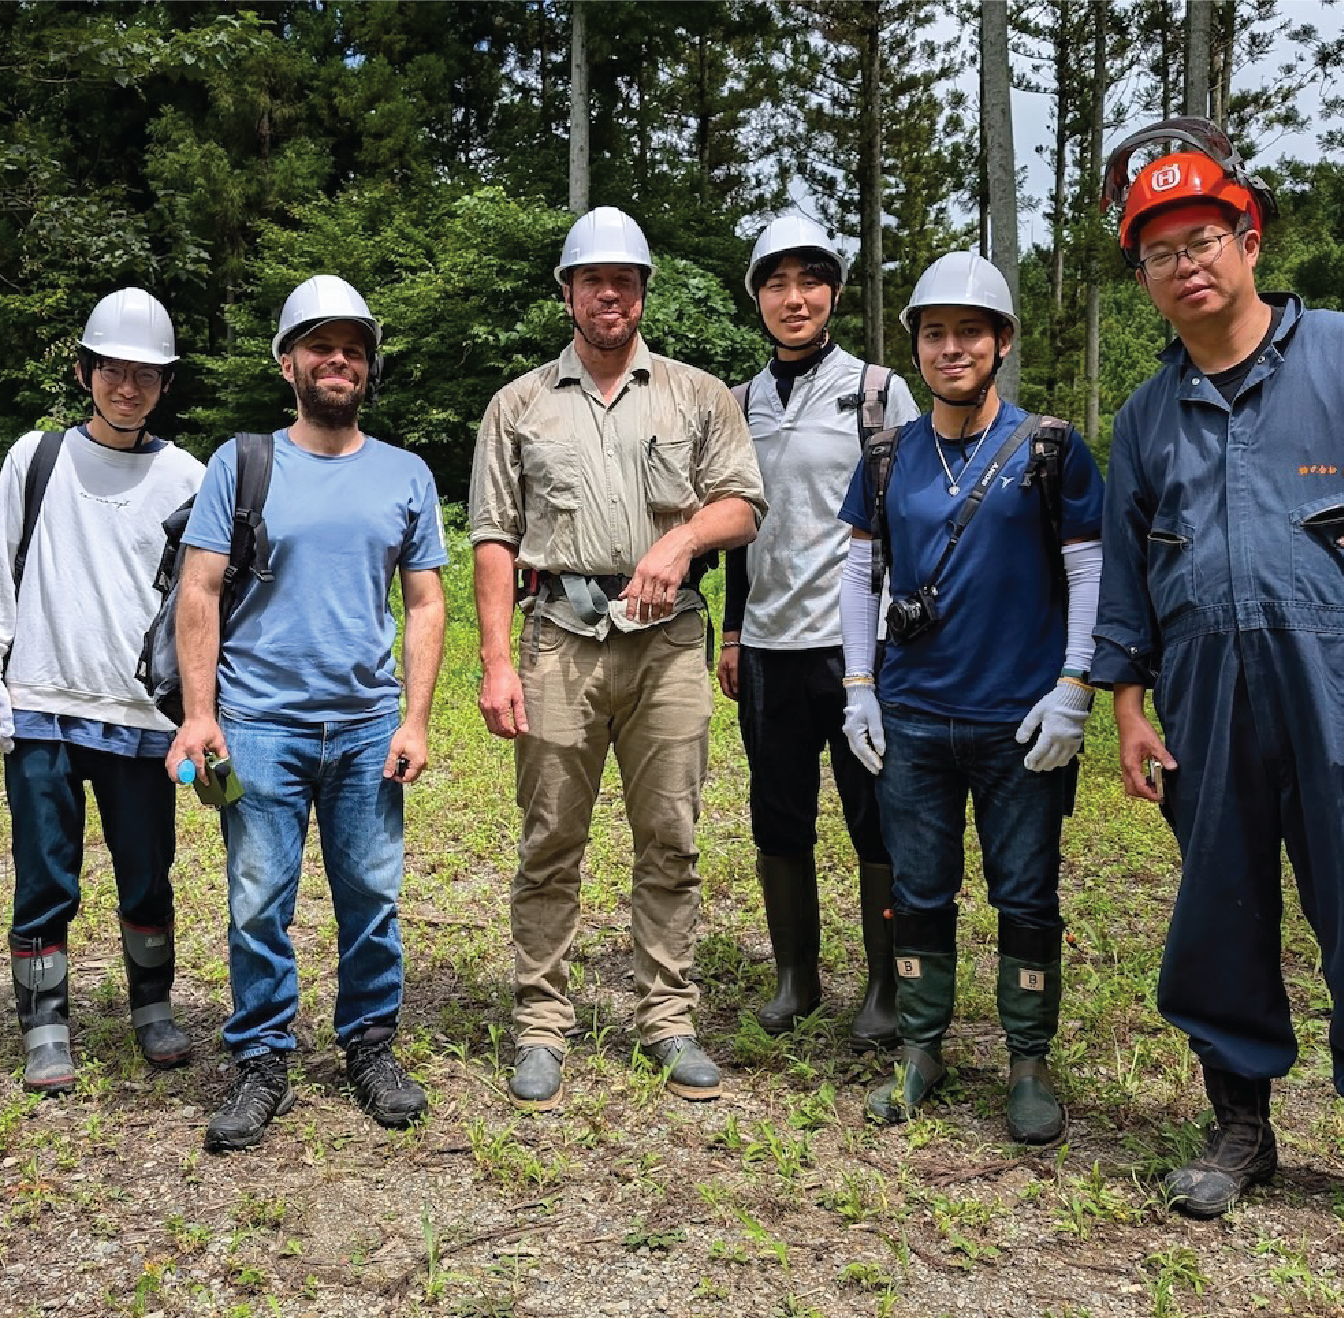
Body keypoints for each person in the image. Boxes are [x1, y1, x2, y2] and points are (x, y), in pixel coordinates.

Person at [1093, 118, 1344, 1264]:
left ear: (1248, 237)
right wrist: (1125, 700)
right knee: (1218, 905)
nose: (1185, 265)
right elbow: (1127, 579)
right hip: (1207, 694)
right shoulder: (1146, 415)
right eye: (1159, 252)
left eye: (1203, 237)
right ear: (1145, 275)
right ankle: (1238, 1125)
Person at [469, 206, 766, 1109]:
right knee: (550, 838)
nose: (611, 294)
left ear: (642, 293)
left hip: (668, 641)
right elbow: (490, 535)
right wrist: (494, 661)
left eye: (625, 281)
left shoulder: (696, 395)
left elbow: (741, 505)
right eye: (593, 280)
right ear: (566, 293)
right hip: (558, 638)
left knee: (669, 836)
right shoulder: (518, 405)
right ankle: (540, 1023)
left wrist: (677, 547)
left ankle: (667, 1014)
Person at [167, 275, 448, 1152]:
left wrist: (415, 719)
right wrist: (200, 714)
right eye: (320, 345)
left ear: (367, 367)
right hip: (258, 723)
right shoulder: (241, 462)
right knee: (257, 902)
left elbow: (428, 603)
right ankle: (260, 1058)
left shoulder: (405, 473)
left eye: (353, 348)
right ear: (287, 361)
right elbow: (199, 589)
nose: (338, 360)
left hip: (368, 726)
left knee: (371, 896)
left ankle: (369, 1044)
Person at [835, 251, 1106, 1144]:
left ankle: (1027, 1060)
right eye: (934, 332)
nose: (951, 348)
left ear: (1000, 343)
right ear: (915, 345)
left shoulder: (1049, 450)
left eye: (969, 332)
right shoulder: (887, 456)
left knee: (1025, 892)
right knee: (919, 886)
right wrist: (858, 688)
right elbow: (859, 571)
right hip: (911, 715)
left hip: (1017, 717)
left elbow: (1087, 567)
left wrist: (1073, 686)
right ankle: (922, 1047)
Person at [0, 288, 205, 1094]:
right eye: (111, 370)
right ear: (84, 370)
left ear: (165, 383)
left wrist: (207, 707)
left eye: (144, 374)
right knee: (43, 873)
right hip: (41, 704)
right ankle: (44, 1022)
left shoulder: (187, 476)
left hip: (140, 713)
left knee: (147, 869)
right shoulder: (38, 457)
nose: (126, 387)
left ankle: (152, 1006)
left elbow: (205, 601)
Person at [719, 215, 917, 1047]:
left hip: (856, 647)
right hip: (767, 644)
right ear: (756, 297)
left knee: (875, 815)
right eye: (775, 283)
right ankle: (796, 975)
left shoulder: (877, 391)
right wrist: (730, 632)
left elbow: (910, 514)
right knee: (778, 813)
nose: (792, 298)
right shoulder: (735, 402)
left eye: (808, 281)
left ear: (833, 292)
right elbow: (733, 524)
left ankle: (883, 983)